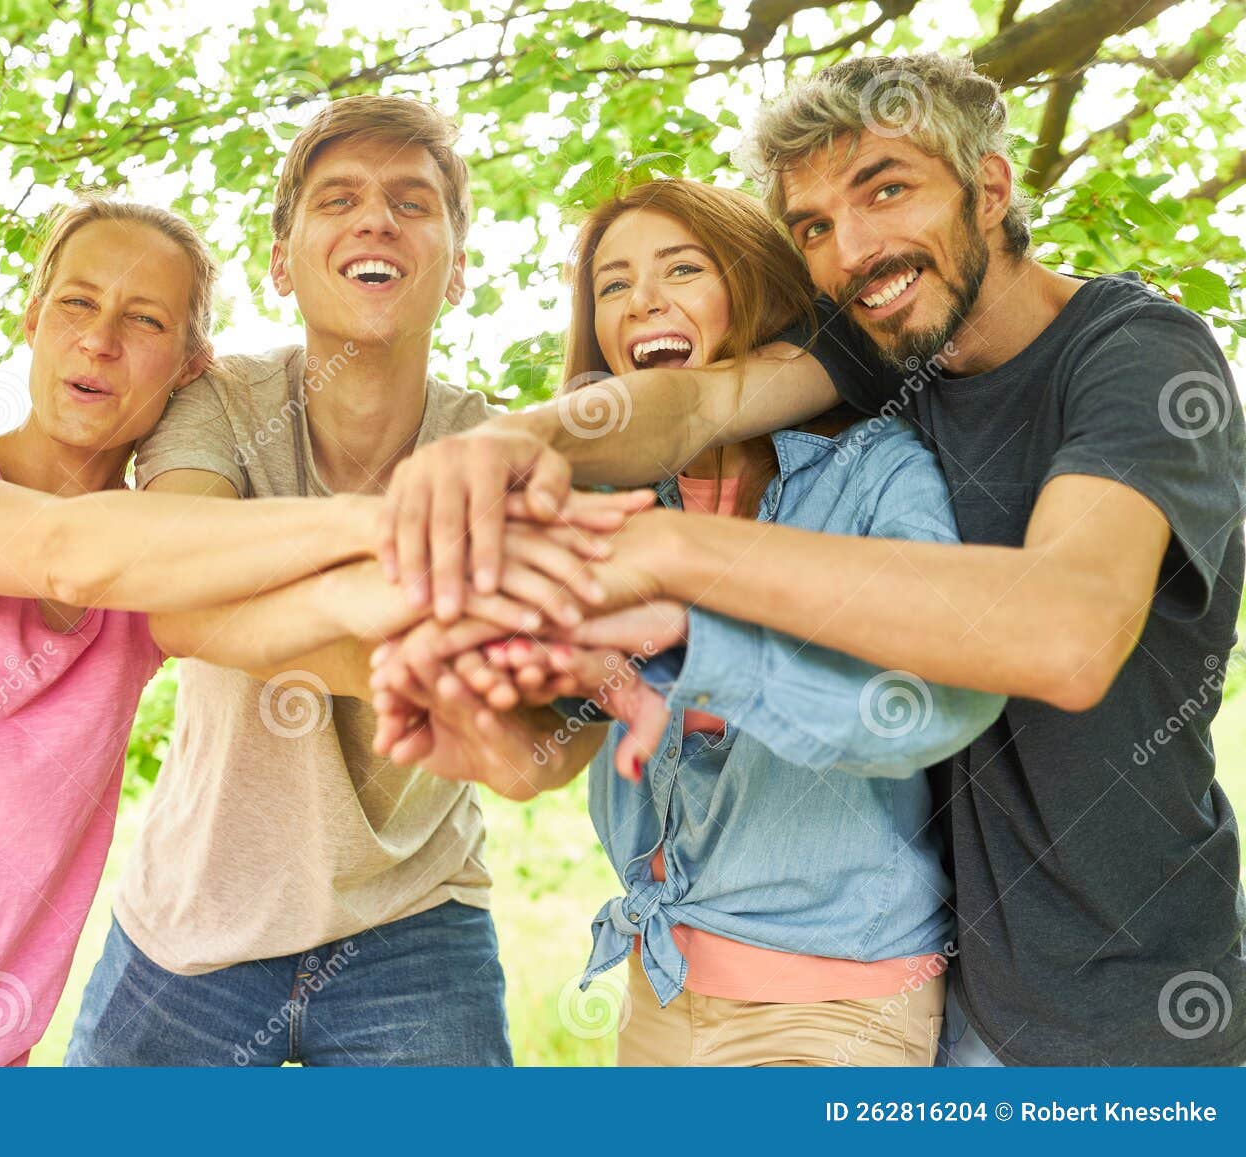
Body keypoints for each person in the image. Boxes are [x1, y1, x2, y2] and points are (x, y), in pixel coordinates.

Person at [376, 54, 1246, 1066]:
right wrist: (509, 441)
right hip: (944, 983)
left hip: (1118, 1002)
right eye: (815, 226)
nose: (855, 249)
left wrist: (667, 560)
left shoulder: (1136, 356)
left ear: (991, 189)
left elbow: (1067, 629)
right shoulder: (888, 348)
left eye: (886, 189)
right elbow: (694, 402)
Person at [0, 194, 588, 1066]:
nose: (98, 340)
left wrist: (565, 657)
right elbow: (58, 548)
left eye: (145, 320)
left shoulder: (154, 594)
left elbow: (346, 647)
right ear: (32, 317)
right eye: (76, 302)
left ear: (190, 366)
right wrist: (396, 519)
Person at [62, 95, 649, 1068]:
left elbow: (545, 744)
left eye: (412, 202)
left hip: (415, 920)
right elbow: (180, 592)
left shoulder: (504, 447)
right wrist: (449, 657)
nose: (376, 218)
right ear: (281, 262)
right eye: (338, 198)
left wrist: (543, 695)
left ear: (457, 269)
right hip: (193, 917)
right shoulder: (221, 401)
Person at [372, 178, 1003, 1065]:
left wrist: (694, 645)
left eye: (682, 268)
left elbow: (924, 706)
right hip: (657, 984)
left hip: (833, 1002)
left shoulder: (875, 469)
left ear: (758, 291)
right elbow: (562, 738)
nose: (645, 303)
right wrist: (499, 700)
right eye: (614, 285)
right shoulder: (602, 502)